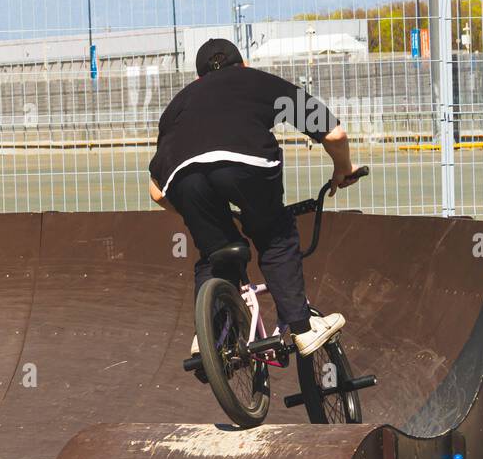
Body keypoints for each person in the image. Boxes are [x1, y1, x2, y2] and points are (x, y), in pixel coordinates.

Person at [148, 38, 355, 357]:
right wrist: (343, 170)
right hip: (247, 164)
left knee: (216, 252)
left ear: (199, 78)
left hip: (182, 177)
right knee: (274, 235)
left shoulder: (179, 105)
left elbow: (156, 192)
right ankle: (301, 328)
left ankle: (209, 339)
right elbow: (334, 134)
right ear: (242, 64)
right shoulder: (258, 82)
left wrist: (208, 218)